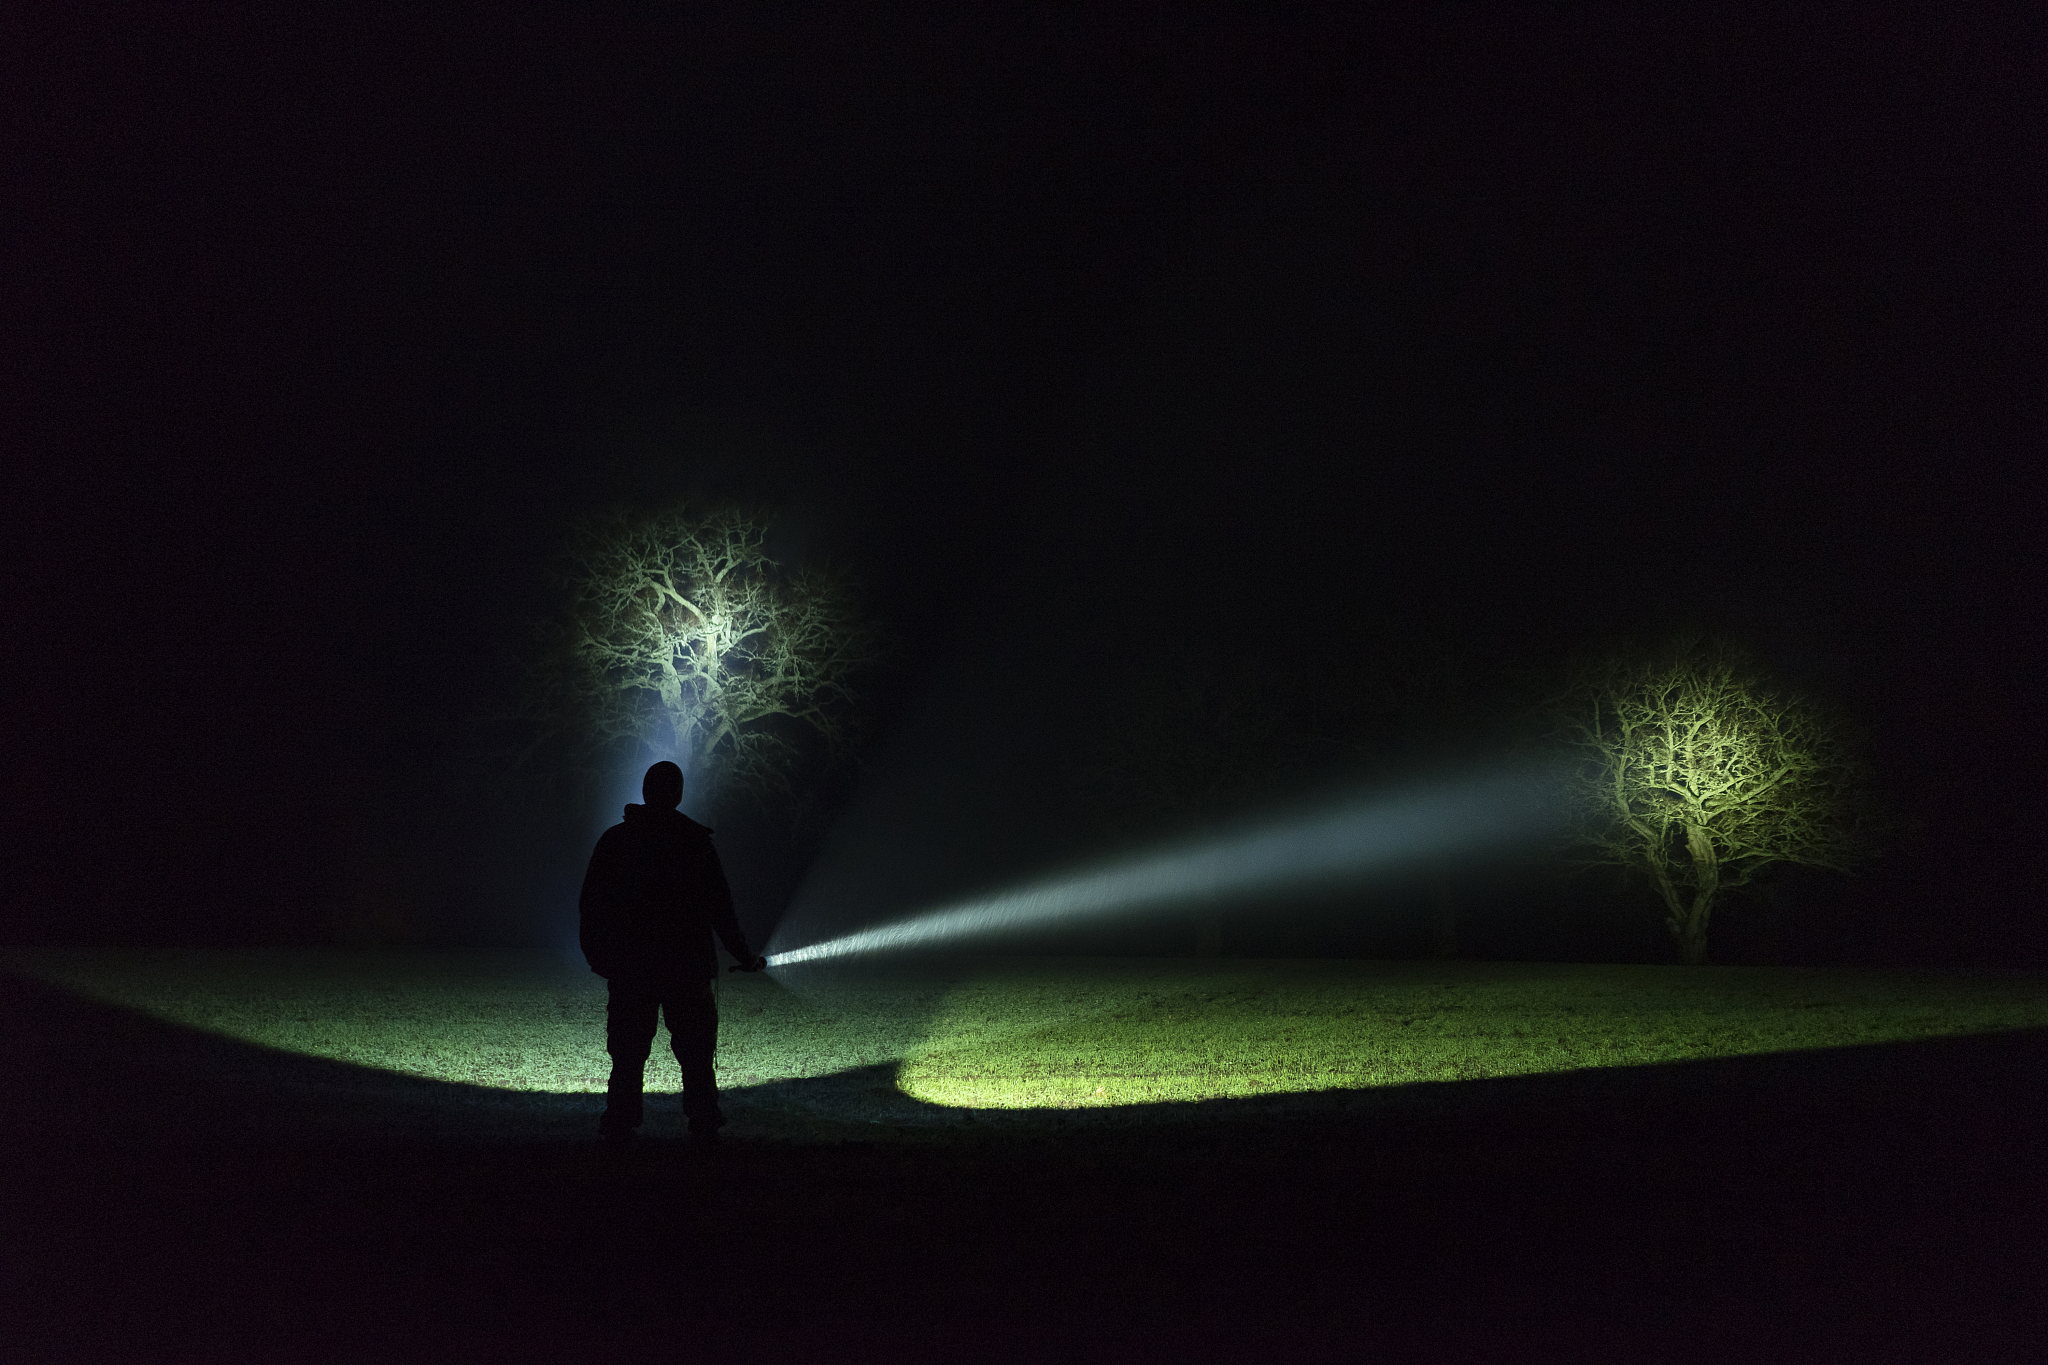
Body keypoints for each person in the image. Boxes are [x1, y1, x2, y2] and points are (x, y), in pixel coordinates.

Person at [579, 760, 766, 1144]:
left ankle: (620, 1124)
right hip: (687, 968)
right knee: (697, 1055)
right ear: (678, 794)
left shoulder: (616, 841)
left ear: (645, 791)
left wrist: (600, 958)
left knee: (628, 1054)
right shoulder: (694, 844)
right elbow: (721, 909)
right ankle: (703, 1123)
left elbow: (592, 905)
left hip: (632, 968)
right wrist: (744, 955)